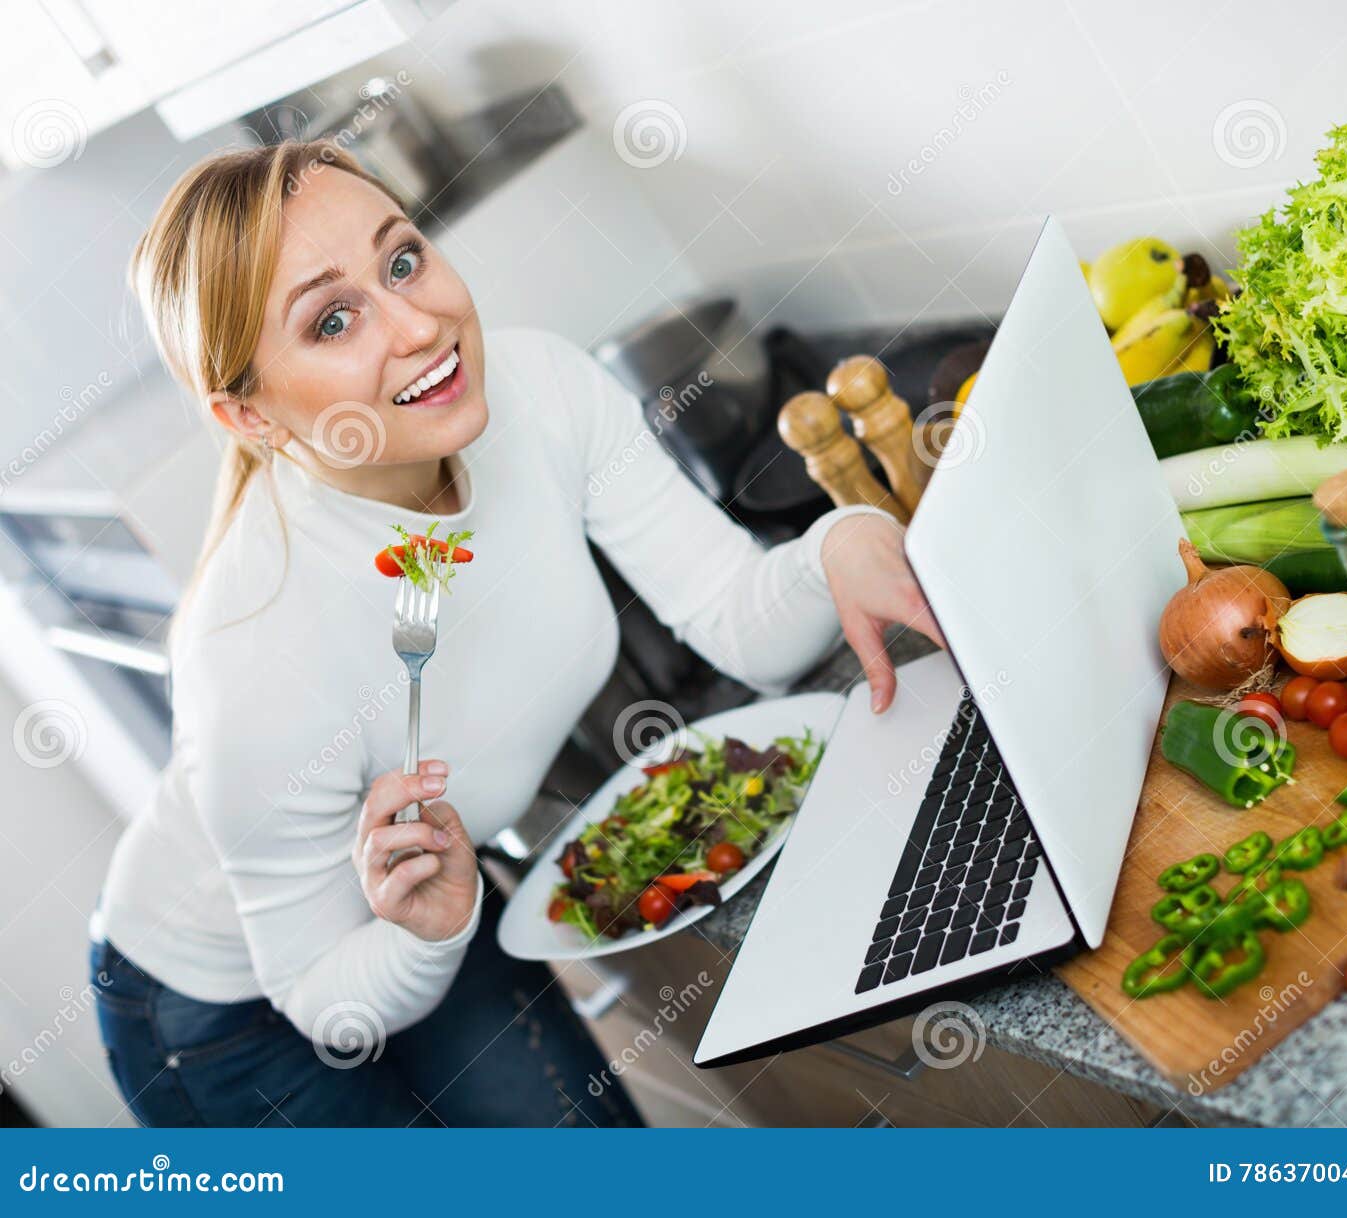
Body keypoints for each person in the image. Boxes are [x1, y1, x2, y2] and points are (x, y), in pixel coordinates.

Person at [88, 140, 945, 1127]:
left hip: (416, 915)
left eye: (401, 259)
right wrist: (428, 933)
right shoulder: (248, 650)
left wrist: (834, 545)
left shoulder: (542, 388)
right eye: (333, 319)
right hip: (217, 1010)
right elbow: (326, 1000)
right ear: (248, 414)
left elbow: (734, 616)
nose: (420, 325)